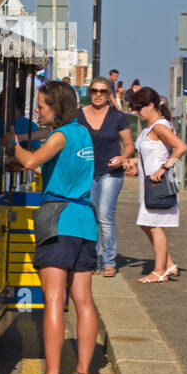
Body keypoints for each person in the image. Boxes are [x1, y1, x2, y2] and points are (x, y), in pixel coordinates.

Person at [5, 81, 99, 374]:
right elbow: (57, 171)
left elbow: (31, 160)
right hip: (85, 220)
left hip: (59, 219)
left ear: (56, 108)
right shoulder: (82, 133)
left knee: (55, 300)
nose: (37, 110)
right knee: (83, 300)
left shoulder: (59, 135)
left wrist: (12, 146)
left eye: (42, 105)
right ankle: (83, 373)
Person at [122, 86, 187, 283]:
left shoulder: (159, 126)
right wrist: (132, 162)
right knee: (146, 223)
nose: (136, 111)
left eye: (138, 107)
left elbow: (181, 147)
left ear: (150, 106)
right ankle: (168, 264)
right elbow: (149, 153)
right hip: (148, 182)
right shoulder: (149, 128)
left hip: (157, 182)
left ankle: (160, 270)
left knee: (155, 225)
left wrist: (164, 168)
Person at [77, 77, 134, 277]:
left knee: (105, 214)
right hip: (87, 172)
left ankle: (108, 261)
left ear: (109, 93)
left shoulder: (118, 117)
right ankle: (92, 260)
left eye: (102, 91)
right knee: (90, 216)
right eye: (94, 90)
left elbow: (129, 144)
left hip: (111, 172)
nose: (98, 94)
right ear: (89, 92)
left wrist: (124, 157)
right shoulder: (78, 115)